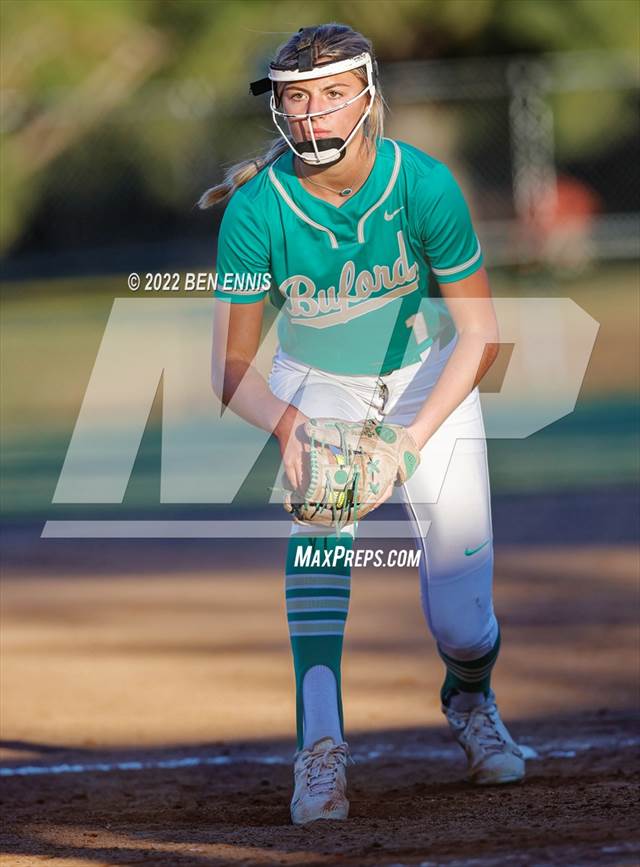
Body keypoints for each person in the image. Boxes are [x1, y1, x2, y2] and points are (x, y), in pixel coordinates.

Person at [201, 23, 525, 826]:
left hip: (426, 383)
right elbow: (231, 370)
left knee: (463, 620)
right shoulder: (255, 210)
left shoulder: (424, 186)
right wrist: (290, 428)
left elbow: (481, 335)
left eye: (332, 93)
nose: (313, 115)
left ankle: (470, 698)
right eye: (296, 98)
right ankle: (320, 751)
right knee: (321, 524)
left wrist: (408, 443)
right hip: (315, 384)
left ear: (370, 96)